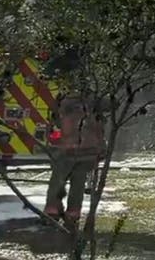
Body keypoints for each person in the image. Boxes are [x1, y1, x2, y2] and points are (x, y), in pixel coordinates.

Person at [44, 93, 103, 227]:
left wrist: (54, 146)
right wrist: (99, 149)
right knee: (78, 184)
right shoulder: (92, 108)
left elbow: (54, 132)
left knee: (57, 181)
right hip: (86, 153)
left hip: (65, 153)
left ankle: (52, 210)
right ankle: (73, 213)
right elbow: (98, 131)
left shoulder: (62, 107)